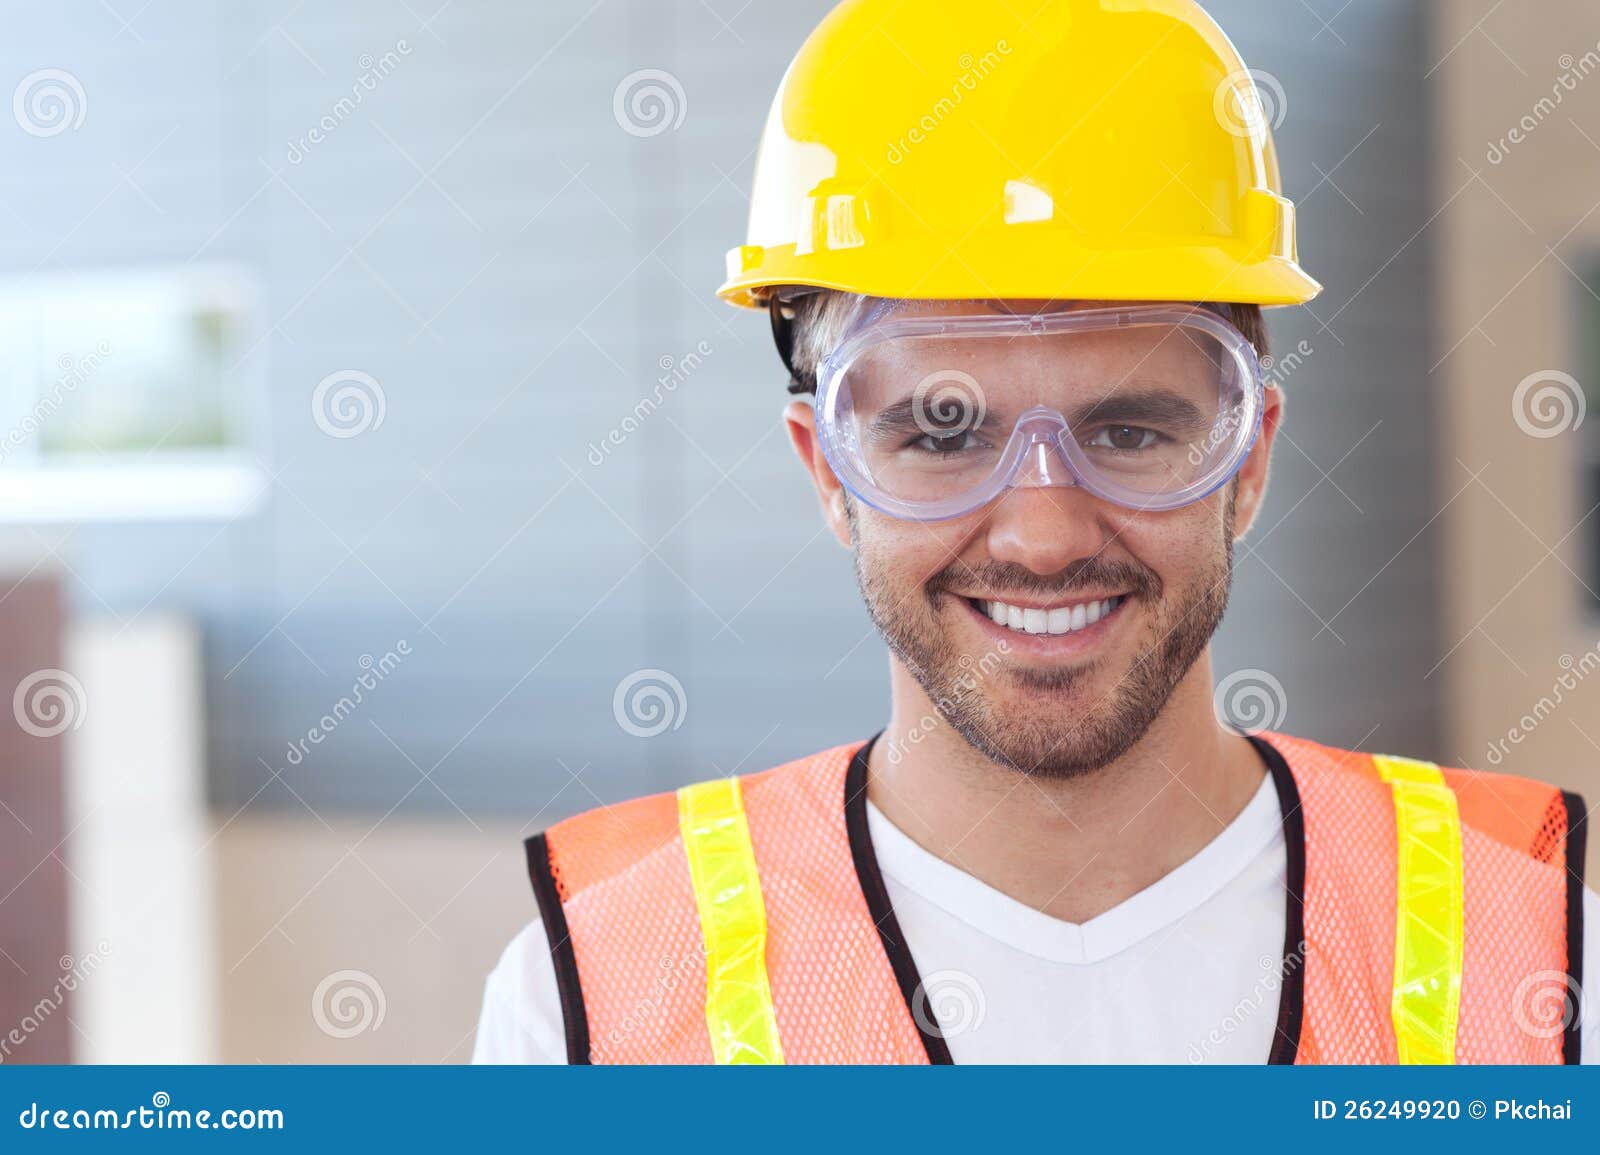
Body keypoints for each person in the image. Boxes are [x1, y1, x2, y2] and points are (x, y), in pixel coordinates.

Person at [474, 0, 1595, 1064]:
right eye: (944, 434)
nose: (1045, 534)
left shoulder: (1542, 965)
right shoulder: (591, 1007)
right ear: (828, 471)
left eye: (1130, 431)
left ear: (1247, 459)